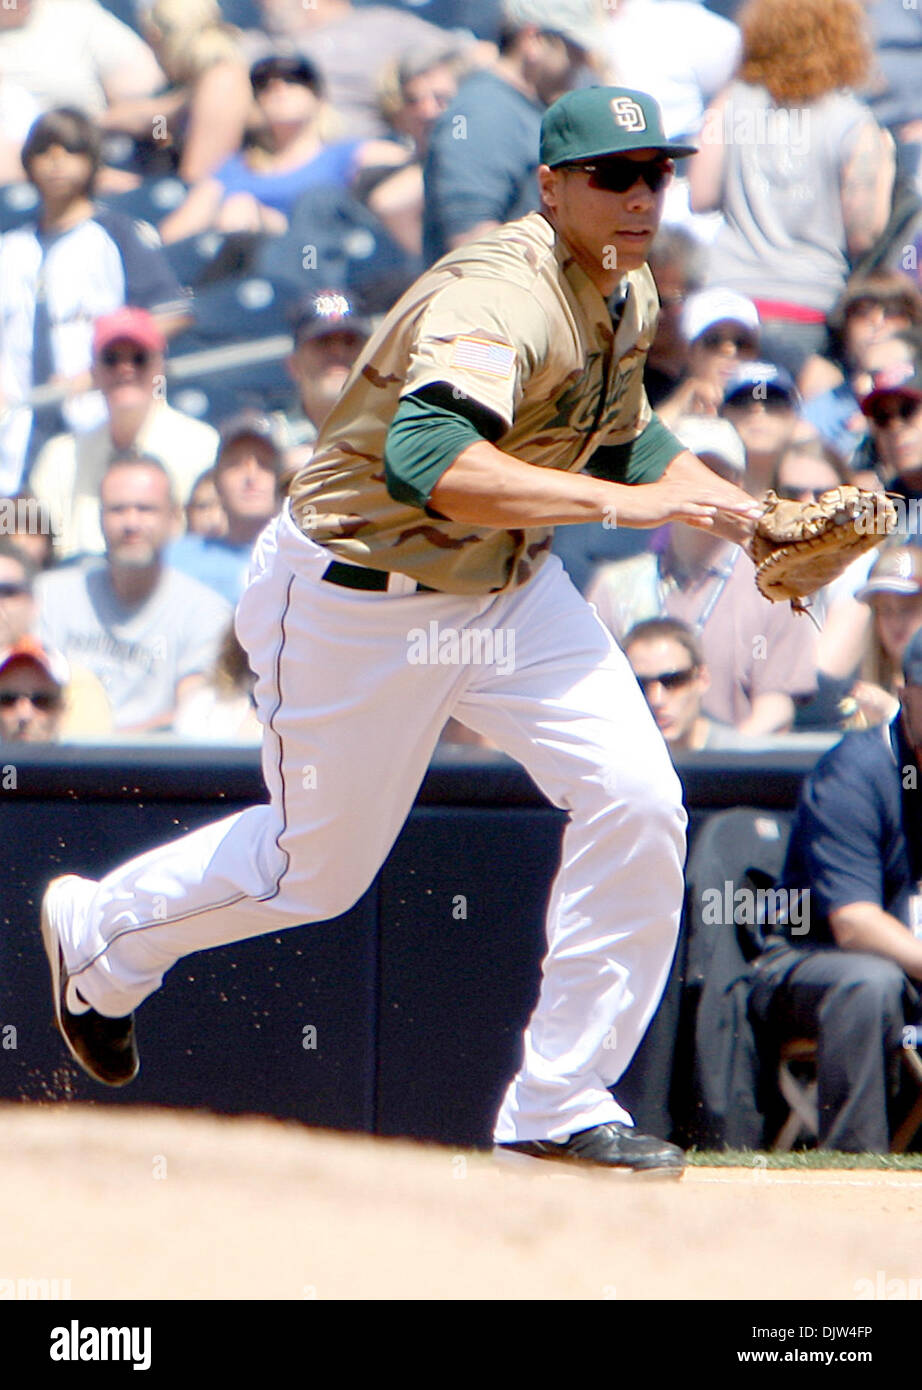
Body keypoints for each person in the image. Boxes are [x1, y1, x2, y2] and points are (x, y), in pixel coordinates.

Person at [39, 86, 762, 1176]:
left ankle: (556, 1102)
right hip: (354, 598)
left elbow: (617, 439)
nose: (640, 193)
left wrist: (743, 512)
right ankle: (99, 935)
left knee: (640, 796)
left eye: (655, 170)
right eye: (613, 174)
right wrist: (626, 507)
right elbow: (429, 462)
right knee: (312, 875)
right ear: (550, 186)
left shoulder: (626, 281)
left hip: (506, 590)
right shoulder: (495, 294)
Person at [750, 625, 922, 1152]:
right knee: (868, 981)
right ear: (904, 693)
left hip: (907, 963)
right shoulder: (857, 769)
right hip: (809, 959)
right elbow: (854, 923)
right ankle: (854, 1161)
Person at [689, 0, 896, 379]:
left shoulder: (732, 101)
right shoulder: (853, 121)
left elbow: (699, 195)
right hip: (809, 306)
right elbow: (864, 234)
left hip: (728, 302)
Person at [587, 412, 817, 735]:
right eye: (687, 475)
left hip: (731, 775)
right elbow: (596, 700)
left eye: (715, 474)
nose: (701, 489)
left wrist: (717, 766)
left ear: (737, 484)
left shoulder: (776, 585)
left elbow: (776, 706)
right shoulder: (615, 586)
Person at [0, 110, 190, 495]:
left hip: (93, 416)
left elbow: (170, 313)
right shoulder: (10, 247)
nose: (56, 163)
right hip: (16, 424)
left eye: (70, 150)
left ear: (92, 161)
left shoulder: (116, 234)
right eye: (44, 151)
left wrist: (103, 371)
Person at [35, 455, 231, 735]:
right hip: (58, 767)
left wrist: (107, 746)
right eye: (118, 510)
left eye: (145, 509)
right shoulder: (50, 597)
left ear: (174, 518)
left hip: (158, 768)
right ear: (100, 518)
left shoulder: (206, 613)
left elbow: (194, 715)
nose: (131, 523)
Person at [29, 308, 220, 562]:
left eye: (139, 358)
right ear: (94, 373)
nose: (125, 369)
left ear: (159, 368)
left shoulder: (201, 445)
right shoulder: (60, 456)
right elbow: (32, 544)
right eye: (111, 359)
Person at [422, 0, 606, 264]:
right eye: (573, 50)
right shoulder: (483, 112)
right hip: (494, 297)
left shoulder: (528, 107)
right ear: (532, 40)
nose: (581, 63)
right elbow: (471, 240)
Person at [159, 53, 411, 244]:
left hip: (317, 258)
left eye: (293, 81)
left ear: (318, 97)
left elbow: (416, 165)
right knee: (237, 209)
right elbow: (177, 230)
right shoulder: (236, 168)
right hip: (245, 261)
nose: (278, 89)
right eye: (265, 86)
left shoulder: (345, 154)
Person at [167, 411, 284, 606]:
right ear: (217, 482)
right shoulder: (177, 561)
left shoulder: (305, 560)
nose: (251, 477)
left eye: (264, 464)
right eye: (235, 465)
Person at [623, 616, 756, 752]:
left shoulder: (753, 762)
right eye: (640, 684)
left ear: (702, 679)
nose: (657, 700)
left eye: (673, 681)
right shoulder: (611, 764)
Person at [277, 289, 373, 469]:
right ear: (293, 365)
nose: (338, 352)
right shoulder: (270, 444)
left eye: (350, 341)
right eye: (323, 342)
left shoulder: (396, 430)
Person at [656, 287, 760, 426]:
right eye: (713, 340)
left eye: (742, 343)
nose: (729, 351)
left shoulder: (765, 392)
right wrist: (680, 401)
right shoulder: (659, 396)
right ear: (688, 351)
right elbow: (642, 445)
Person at [719, 361, 804, 498]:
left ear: (794, 414)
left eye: (773, 401)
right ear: (723, 412)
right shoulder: (702, 490)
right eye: (742, 401)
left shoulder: (818, 485)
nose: (757, 410)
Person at [0, 636, 68, 743]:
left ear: (62, 710)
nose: (24, 714)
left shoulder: (90, 759)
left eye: (41, 701)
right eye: (8, 699)